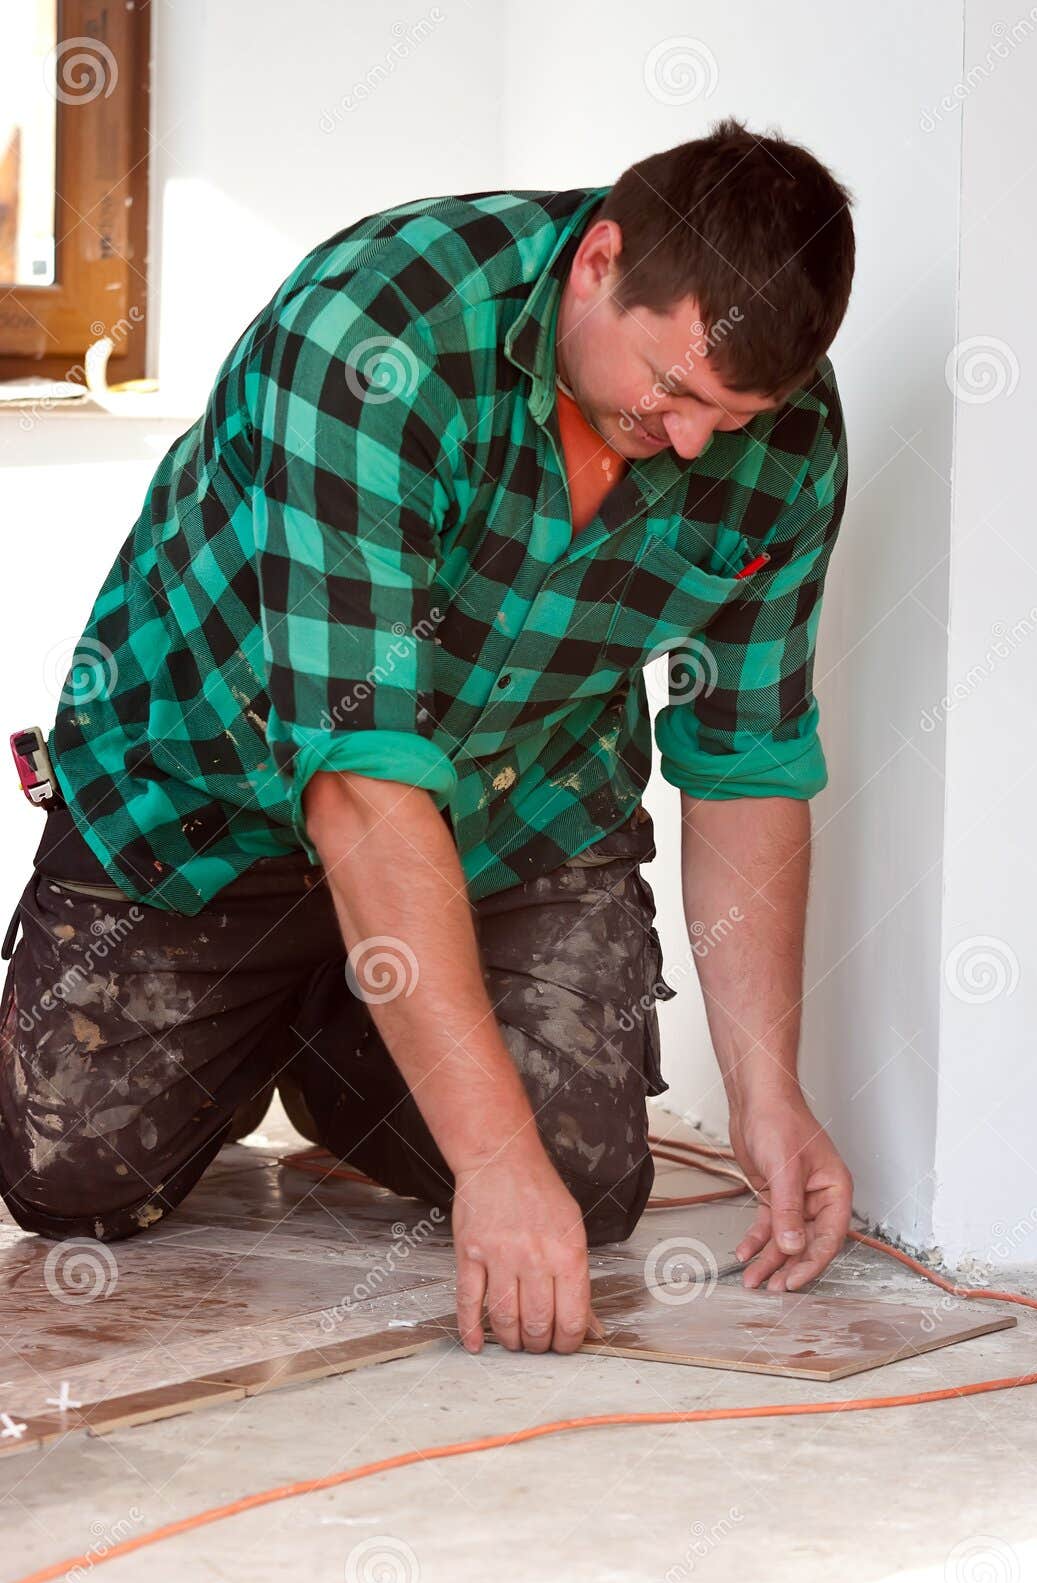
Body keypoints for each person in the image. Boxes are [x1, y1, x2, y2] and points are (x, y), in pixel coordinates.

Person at [0, 118, 856, 1356]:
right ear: (599, 260)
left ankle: (352, 1027)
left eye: (731, 416)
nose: (690, 444)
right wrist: (489, 1161)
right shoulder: (377, 333)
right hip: (207, 803)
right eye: (669, 390)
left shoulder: (780, 438)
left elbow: (748, 759)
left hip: (509, 813)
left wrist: (768, 1094)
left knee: (587, 1183)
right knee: (70, 1178)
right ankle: (281, 996)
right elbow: (358, 778)